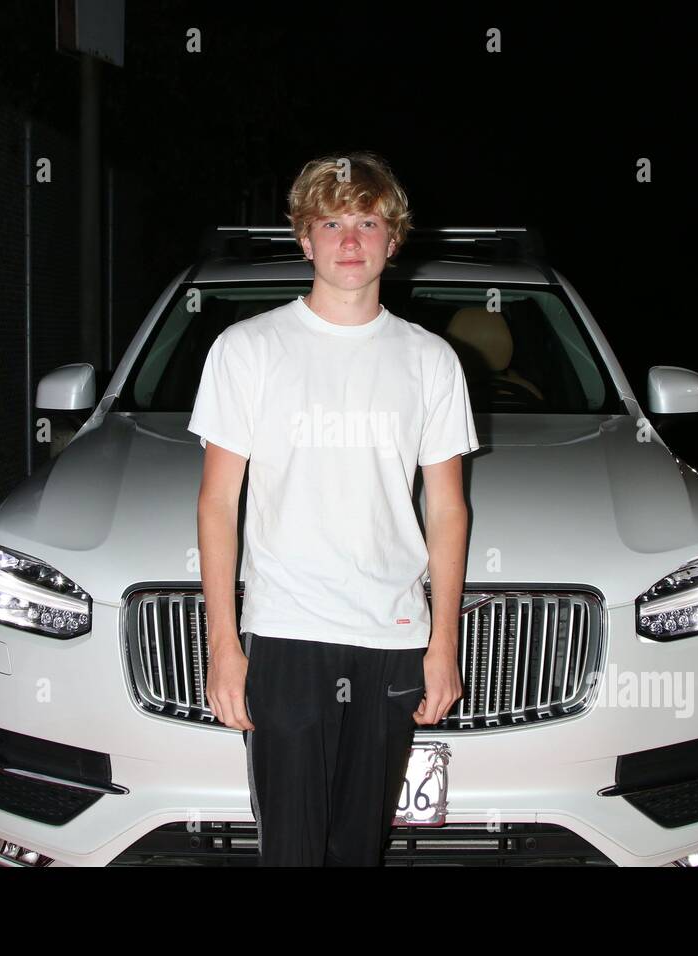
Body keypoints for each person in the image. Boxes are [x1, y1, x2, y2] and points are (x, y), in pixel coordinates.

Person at [187, 150, 479, 866]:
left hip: (393, 635)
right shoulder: (246, 350)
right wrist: (224, 644)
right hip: (287, 634)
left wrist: (442, 644)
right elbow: (217, 503)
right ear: (305, 237)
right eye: (332, 221)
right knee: (291, 850)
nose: (350, 239)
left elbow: (447, 510)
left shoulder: (430, 361)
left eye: (368, 221)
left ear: (394, 237)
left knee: (360, 848)